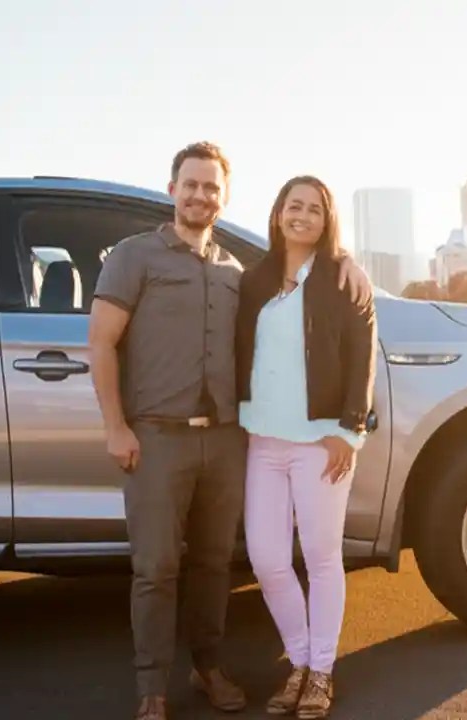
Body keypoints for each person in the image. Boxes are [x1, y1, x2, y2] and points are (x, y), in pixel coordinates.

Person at [88, 143, 372, 720]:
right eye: (190, 184)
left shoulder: (237, 273)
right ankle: (152, 690)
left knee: (218, 562)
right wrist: (116, 428)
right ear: (171, 189)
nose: (199, 195)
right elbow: (100, 341)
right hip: (165, 437)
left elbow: (344, 348)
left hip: (228, 439)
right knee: (160, 567)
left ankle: (223, 668)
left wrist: (349, 425)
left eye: (210, 187)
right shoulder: (137, 256)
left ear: (224, 197)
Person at [234, 176, 378, 719]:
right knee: (268, 559)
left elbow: (363, 355)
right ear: (277, 214)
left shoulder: (344, 277)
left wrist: (349, 432)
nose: (302, 216)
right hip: (262, 440)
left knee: (320, 558)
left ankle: (320, 672)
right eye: (294, 206)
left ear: (327, 219)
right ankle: (300, 660)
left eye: (314, 209)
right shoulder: (255, 280)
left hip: (322, 442)